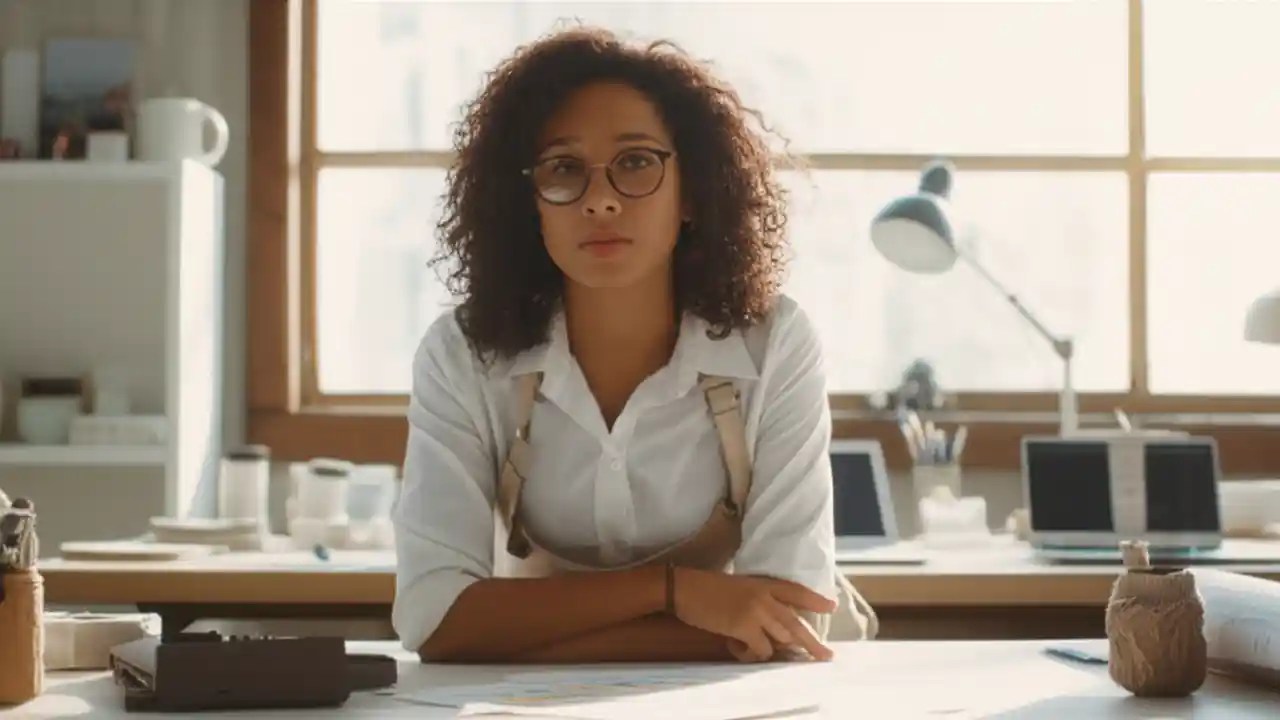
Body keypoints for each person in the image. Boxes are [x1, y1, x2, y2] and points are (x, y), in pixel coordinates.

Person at [393, 25, 875, 665]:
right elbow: (434, 619)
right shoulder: (463, 353)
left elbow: (789, 615)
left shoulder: (775, 343)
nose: (600, 201)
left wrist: (522, 635)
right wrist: (673, 592)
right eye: (564, 169)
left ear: (693, 192)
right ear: (527, 201)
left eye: (637, 163)